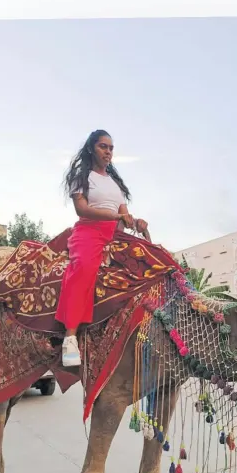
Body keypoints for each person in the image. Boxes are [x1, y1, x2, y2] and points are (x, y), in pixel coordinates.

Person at [55, 130, 148, 367]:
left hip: (116, 234)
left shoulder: (115, 183)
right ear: (91, 149)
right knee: (83, 268)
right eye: (103, 147)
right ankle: (70, 337)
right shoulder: (82, 177)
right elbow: (82, 210)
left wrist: (135, 222)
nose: (108, 152)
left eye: (111, 148)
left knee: (151, 262)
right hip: (89, 231)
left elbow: (124, 214)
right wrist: (116, 215)